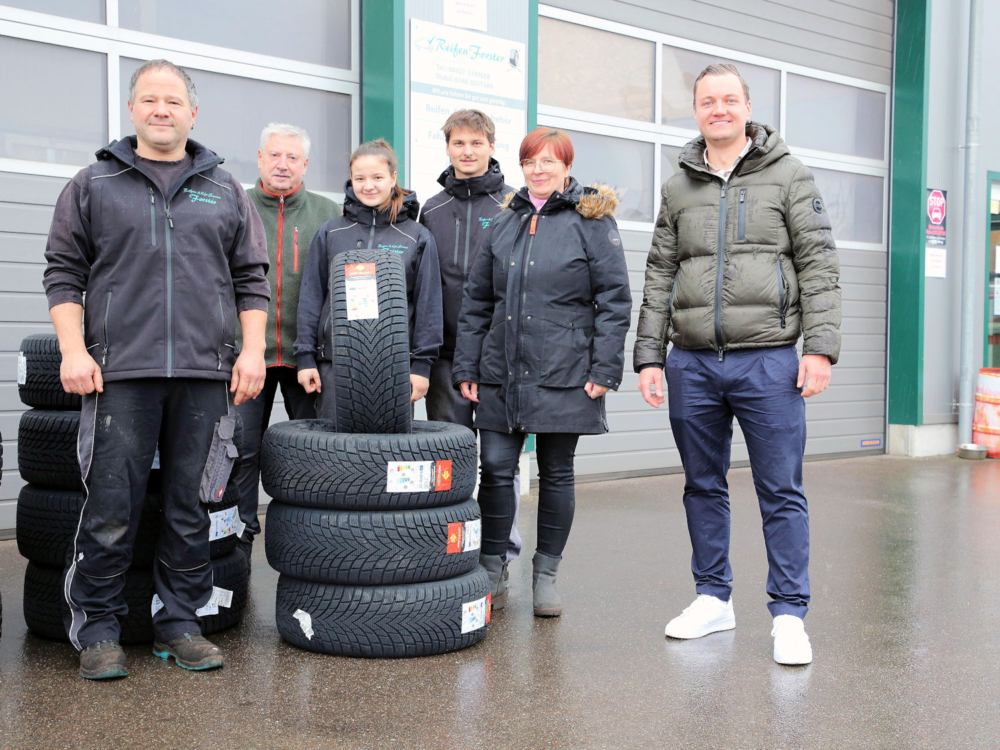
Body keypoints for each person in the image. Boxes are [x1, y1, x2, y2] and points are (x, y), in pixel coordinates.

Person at [43, 60, 270, 679]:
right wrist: (72, 349)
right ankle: (96, 629)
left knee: (190, 504)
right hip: (121, 375)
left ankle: (179, 624)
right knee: (112, 505)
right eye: (150, 99)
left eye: (173, 100)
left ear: (192, 113)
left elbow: (252, 278)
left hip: (204, 375)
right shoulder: (92, 184)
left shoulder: (225, 189)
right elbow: (63, 271)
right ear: (132, 109)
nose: (162, 109)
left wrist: (251, 352)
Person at [634, 63, 841, 665]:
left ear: (747, 107)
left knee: (781, 489)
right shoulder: (679, 186)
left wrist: (820, 347)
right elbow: (659, 274)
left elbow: (820, 267)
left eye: (729, 99)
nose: (718, 109)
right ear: (695, 110)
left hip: (769, 362)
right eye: (706, 101)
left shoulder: (790, 176)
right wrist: (650, 355)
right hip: (692, 364)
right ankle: (712, 598)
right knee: (702, 485)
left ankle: (789, 614)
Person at [453, 127, 631, 617]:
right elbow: (477, 301)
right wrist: (468, 363)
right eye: (532, 161)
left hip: (566, 371)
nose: (540, 169)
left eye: (550, 161)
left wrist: (605, 369)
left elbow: (614, 301)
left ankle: (546, 573)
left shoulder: (591, 220)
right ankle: (493, 568)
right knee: (495, 469)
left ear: (566, 167)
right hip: (501, 371)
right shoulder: (505, 222)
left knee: (557, 473)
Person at [417, 110, 524, 570]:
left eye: (476, 143)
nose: (467, 151)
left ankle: (504, 545)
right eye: (458, 143)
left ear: (491, 147)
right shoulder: (431, 209)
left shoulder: (513, 205)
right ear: (447, 148)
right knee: (452, 453)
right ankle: (453, 543)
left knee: (501, 459)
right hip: (445, 355)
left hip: (499, 356)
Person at [233, 123, 340, 559]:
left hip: (306, 360)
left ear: (305, 165)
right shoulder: (235, 205)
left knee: (313, 454)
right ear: (259, 159)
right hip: (247, 358)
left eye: (292, 157)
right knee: (239, 451)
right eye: (274, 155)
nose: (282, 164)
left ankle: (312, 541)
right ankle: (236, 541)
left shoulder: (327, 213)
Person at [295, 139, 442, 414]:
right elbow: (312, 296)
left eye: (377, 177)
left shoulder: (416, 235)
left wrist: (422, 366)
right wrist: (305, 358)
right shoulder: (331, 233)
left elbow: (429, 305)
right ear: (351, 179)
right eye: (360, 178)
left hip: (394, 367)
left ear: (393, 177)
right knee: (335, 452)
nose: (369, 185)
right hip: (335, 365)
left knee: (387, 453)